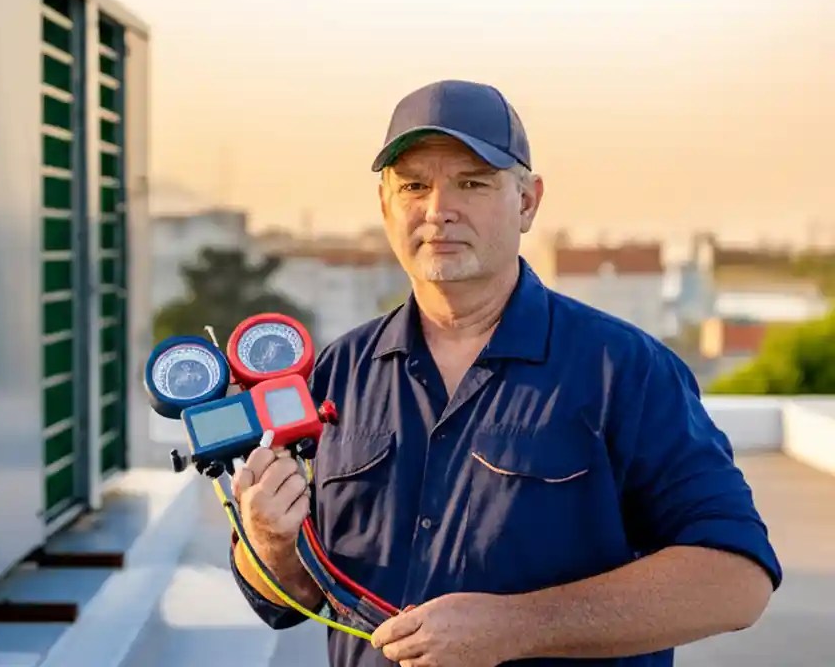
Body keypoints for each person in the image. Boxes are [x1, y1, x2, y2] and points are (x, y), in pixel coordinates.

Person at [228, 79, 781, 667]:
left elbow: (735, 579)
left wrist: (520, 626)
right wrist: (268, 542)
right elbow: (293, 599)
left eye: (472, 183)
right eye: (414, 185)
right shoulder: (337, 374)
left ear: (527, 202)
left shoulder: (625, 371)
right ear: (385, 205)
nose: (438, 211)